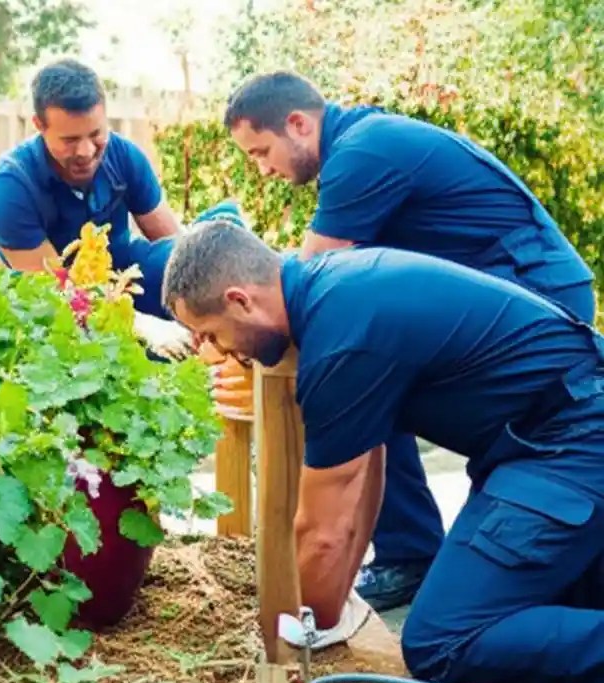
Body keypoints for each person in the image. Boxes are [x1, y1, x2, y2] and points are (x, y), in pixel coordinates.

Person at [161, 220, 604, 683]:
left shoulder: (342, 341)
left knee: (445, 640)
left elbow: (322, 532)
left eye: (213, 335)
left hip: (571, 443)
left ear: (241, 300)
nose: (222, 354)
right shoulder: (335, 293)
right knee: (557, 613)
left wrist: (295, 636)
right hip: (553, 437)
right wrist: (324, 614)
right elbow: (364, 480)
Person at [222, 70, 597, 612]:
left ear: (298, 124)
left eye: (261, 150)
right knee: (368, 387)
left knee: (509, 449)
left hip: (539, 287)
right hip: (520, 282)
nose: (262, 168)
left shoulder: (361, 155)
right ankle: (415, 554)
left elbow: (305, 282)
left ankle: (473, 576)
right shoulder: (363, 144)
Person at [0, 58, 249, 360]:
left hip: (125, 275)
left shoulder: (124, 157)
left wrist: (198, 307)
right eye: (69, 140)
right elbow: (53, 292)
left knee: (214, 246)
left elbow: (179, 253)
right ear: (39, 126)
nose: (85, 151)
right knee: (143, 354)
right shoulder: (11, 185)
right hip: (63, 306)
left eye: (95, 134)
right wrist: (140, 324)